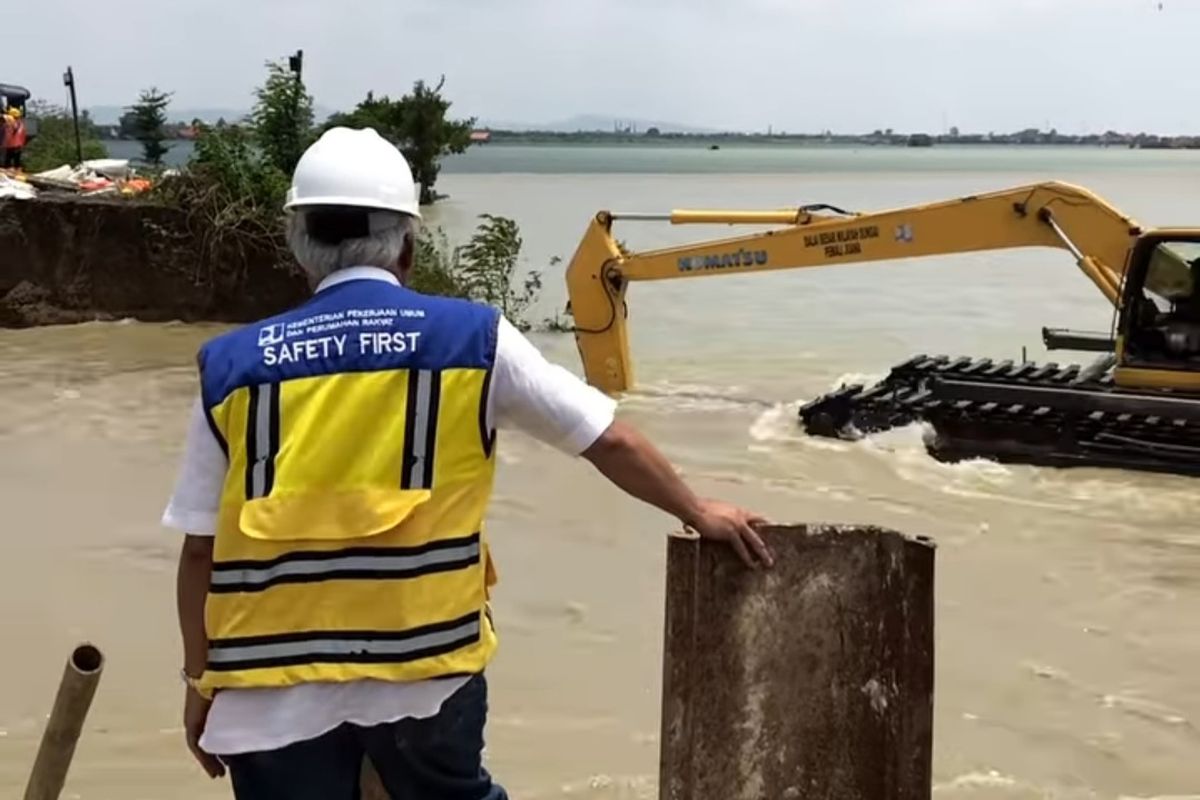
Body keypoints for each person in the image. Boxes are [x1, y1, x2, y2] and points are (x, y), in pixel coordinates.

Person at [162, 126, 773, 800]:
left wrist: (199, 683)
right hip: (425, 671)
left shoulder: (230, 366)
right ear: (409, 245)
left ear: (297, 245)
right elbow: (608, 440)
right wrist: (698, 510)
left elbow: (200, 552)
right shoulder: (472, 338)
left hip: (265, 692)